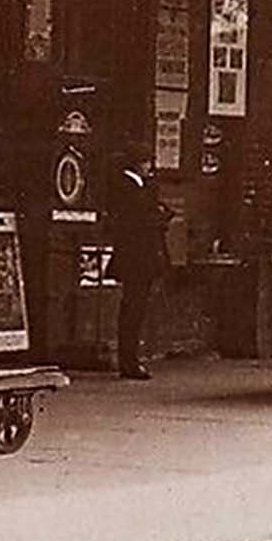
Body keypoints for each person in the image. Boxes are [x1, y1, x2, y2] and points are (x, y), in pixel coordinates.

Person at [106, 151, 172, 380]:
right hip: (137, 258)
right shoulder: (131, 189)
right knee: (133, 309)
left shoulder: (140, 188)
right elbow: (140, 220)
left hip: (139, 257)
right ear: (138, 164)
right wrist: (160, 216)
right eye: (147, 162)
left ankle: (130, 358)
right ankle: (129, 361)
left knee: (134, 308)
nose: (150, 167)